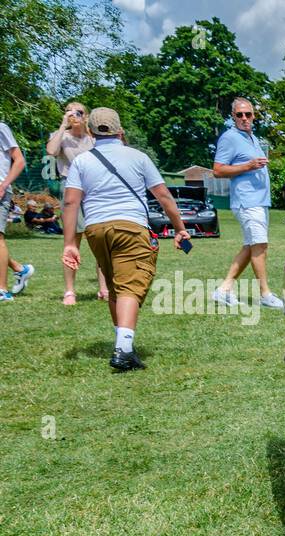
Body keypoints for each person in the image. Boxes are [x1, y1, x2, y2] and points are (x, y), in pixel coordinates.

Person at [61, 108, 189, 372]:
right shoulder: (138, 157)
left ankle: (123, 344)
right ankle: (123, 350)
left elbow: (71, 201)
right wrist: (180, 228)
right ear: (121, 131)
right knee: (130, 286)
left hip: (96, 229)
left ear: (90, 131)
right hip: (131, 227)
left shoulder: (82, 161)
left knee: (115, 287)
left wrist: (70, 244)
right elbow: (163, 195)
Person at [211, 98, 283, 309]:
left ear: (253, 116)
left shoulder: (252, 138)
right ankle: (265, 294)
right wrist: (248, 165)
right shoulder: (229, 138)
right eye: (239, 115)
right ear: (233, 116)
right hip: (247, 201)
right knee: (259, 245)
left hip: (260, 201)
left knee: (251, 245)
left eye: (248, 114)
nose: (244, 118)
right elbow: (218, 170)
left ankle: (224, 289)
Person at [47, 101, 109, 304]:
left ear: (87, 116)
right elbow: (51, 151)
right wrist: (63, 124)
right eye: (68, 112)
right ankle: (70, 291)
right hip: (71, 189)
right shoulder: (61, 136)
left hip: (94, 190)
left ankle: (104, 289)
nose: (73, 115)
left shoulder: (92, 139)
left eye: (78, 112)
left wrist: (89, 127)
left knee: (100, 240)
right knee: (72, 241)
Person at [0, 119, 36, 303]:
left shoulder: (1, 128)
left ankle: (2, 291)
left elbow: (19, 160)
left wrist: (4, 184)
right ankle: (19, 269)